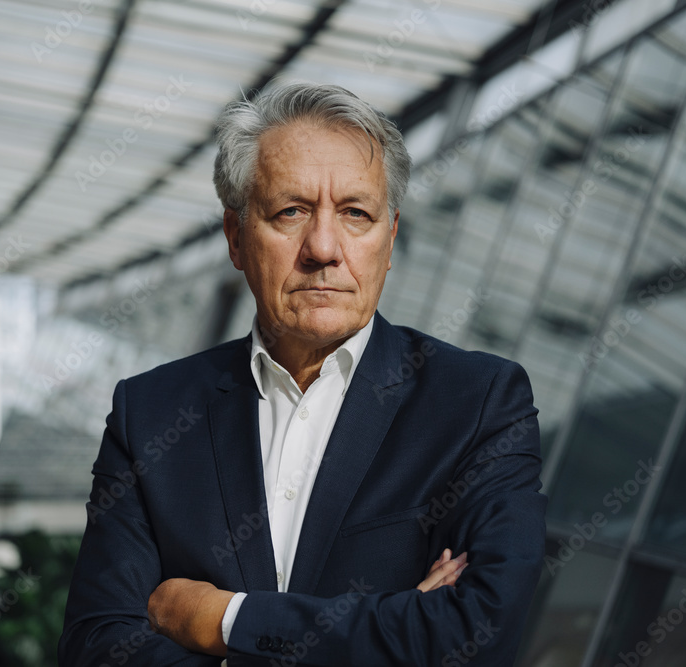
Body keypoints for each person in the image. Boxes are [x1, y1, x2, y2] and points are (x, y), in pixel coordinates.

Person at [59, 83, 546, 665]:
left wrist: (222, 619)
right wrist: (394, 632)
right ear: (235, 238)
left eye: (355, 214)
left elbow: (478, 634)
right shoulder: (151, 413)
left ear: (389, 241)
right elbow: (97, 650)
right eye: (290, 211)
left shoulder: (478, 403)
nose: (322, 248)